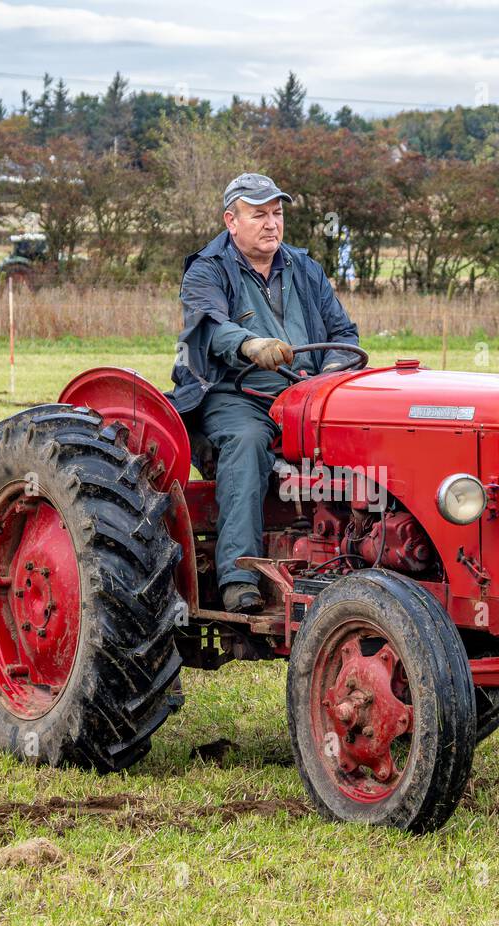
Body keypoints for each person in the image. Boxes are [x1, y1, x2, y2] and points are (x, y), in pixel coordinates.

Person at [173, 173, 360, 613]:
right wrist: (249, 344)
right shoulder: (207, 270)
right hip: (234, 395)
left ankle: (355, 561)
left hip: (308, 395)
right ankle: (239, 577)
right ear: (231, 220)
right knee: (248, 441)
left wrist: (330, 372)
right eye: (259, 215)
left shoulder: (304, 267)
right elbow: (211, 329)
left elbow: (342, 331)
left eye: (277, 214)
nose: (271, 224)